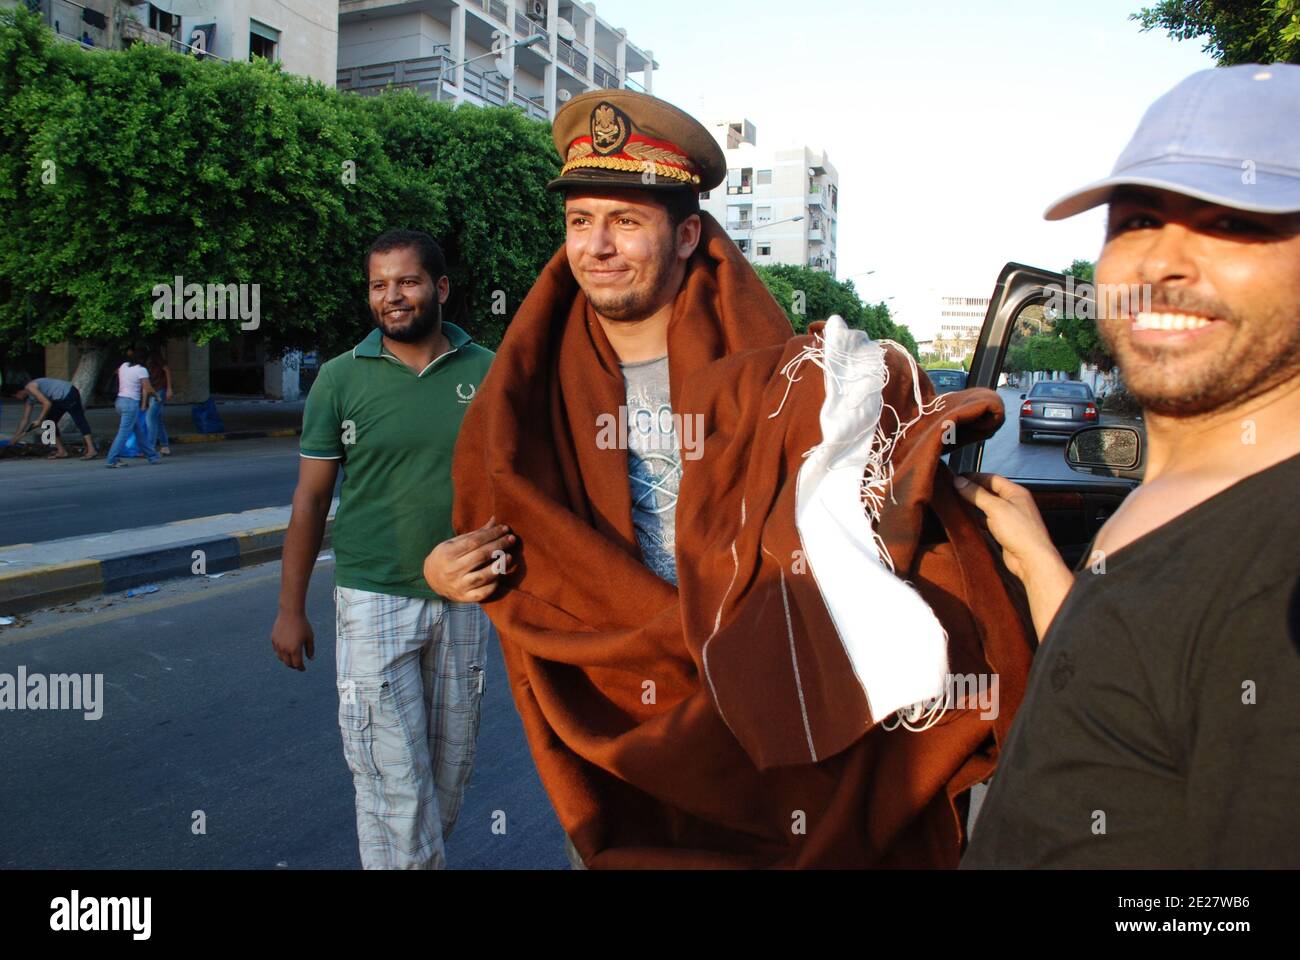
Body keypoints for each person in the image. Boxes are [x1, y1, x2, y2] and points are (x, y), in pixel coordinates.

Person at [427, 90, 1035, 868]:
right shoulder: (525, 387)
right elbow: (492, 521)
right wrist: (442, 568)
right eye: (581, 221)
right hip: (615, 713)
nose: (598, 245)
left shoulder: (773, 375)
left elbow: (853, 500)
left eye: (625, 221)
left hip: (752, 695)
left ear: (685, 236)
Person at [957, 64, 1300, 868]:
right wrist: (1042, 566)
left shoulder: (1280, 573)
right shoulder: (1181, 497)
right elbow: (1134, 697)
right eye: (1140, 219)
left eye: (1233, 221)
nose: (1163, 265)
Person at [270, 230, 495, 870]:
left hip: (466, 599)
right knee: (395, 782)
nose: (392, 297)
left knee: (446, 776)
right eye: (378, 285)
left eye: (407, 282)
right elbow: (310, 503)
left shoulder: (489, 370)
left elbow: (522, 479)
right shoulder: (339, 379)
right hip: (371, 599)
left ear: (440, 288)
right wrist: (291, 608)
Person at [6, 375, 98, 460]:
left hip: (69, 393)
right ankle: (62, 451)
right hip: (58, 399)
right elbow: (25, 419)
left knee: (79, 420)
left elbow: (47, 403)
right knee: (50, 422)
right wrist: (16, 437)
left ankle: (91, 449)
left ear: (19, 392)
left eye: (16, 396)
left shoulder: (31, 387)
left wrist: (39, 420)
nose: (17, 398)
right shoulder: (29, 399)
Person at [104, 344, 160, 468]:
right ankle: (111, 459)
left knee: (139, 431)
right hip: (131, 404)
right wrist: (157, 397)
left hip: (120, 401)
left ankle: (152, 456)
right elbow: (148, 388)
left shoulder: (124, 366)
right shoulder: (141, 370)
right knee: (123, 433)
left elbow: (117, 374)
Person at [145, 346, 172, 456]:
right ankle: (165, 446)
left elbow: (167, 370)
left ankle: (150, 448)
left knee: (150, 418)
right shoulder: (145, 358)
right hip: (154, 390)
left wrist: (169, 388)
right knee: (157, 419)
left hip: (159, 389)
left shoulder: (154, 355)